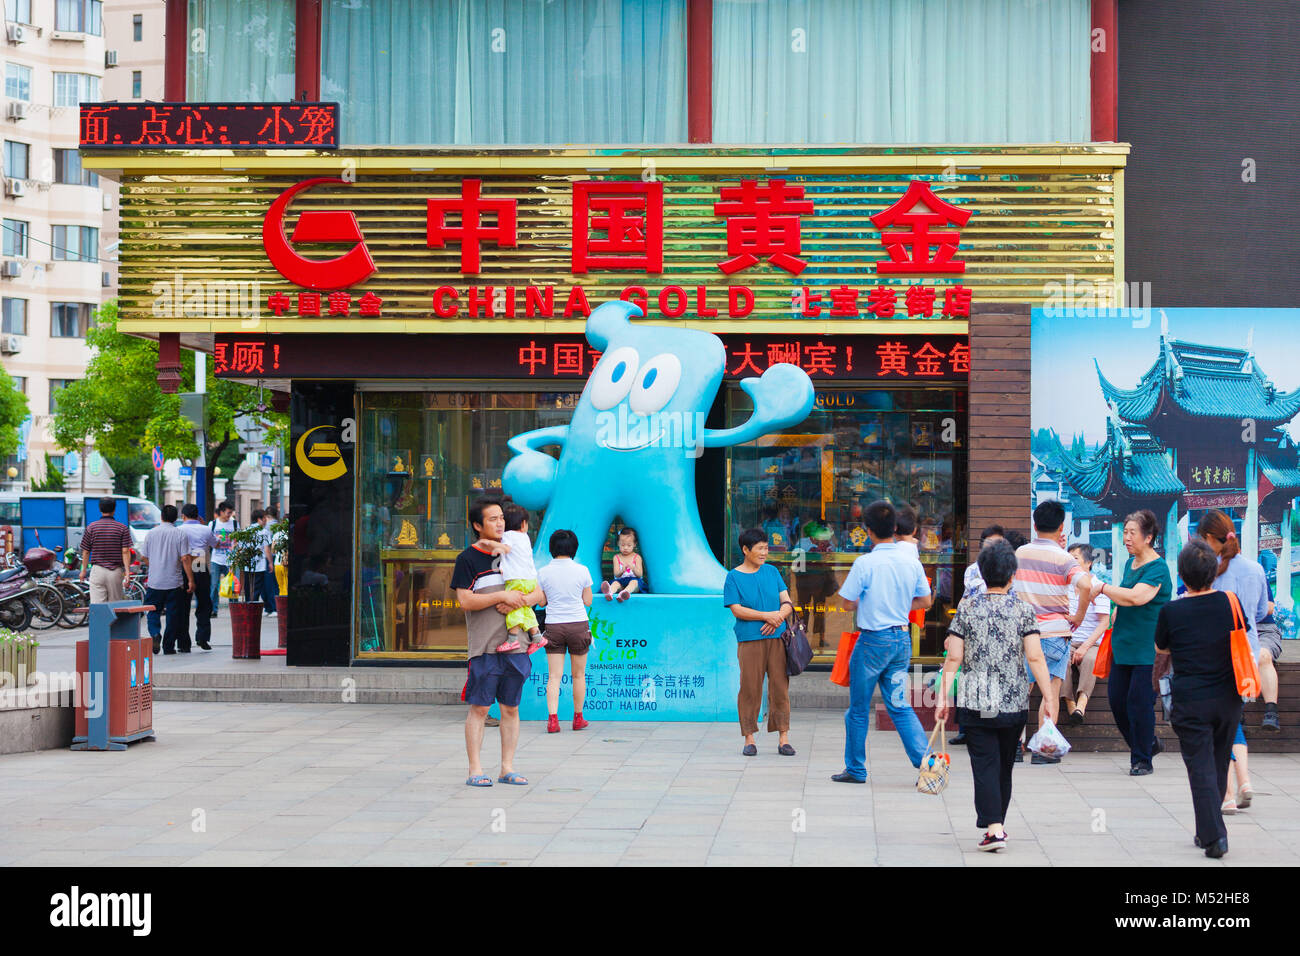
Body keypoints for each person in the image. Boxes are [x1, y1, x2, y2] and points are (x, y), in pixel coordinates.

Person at [937, 540, 1055, 852]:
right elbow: (1035, 658)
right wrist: (1049, 695)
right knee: (1004, 765)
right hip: (1014, 702)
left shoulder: (967, 608)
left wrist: (942, 697)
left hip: (976, 701)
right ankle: (997, 824)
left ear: (983, 574)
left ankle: (994, 828)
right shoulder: (1023, 610)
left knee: (985, 765)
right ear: (1012, 576)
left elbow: (954, 657)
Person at [833, 499, 933, 782]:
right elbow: (925, 600)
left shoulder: (866, 562)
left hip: (873, 642)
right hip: (901, 640)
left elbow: (846, 604)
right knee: (900, 705)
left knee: (857, 709)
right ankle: (927, 763)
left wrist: (871, 601)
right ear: (895, 529)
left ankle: (855, 768)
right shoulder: (910, 561)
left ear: (868, 530)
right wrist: (899, 603)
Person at [1154, 539, 1242, 859]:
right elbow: (1240, 639)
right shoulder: (1230, 603)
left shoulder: (1171, 610)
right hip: (1230, 697)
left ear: (1182, 574)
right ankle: (1208, 826)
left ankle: (1215, 835)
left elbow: (1162, 653)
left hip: (1191, 700)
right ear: (1213, 571)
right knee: (1218, 763)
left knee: (1201, 767)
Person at [453, 496, 543, 787]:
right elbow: (465, 600)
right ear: (478, 525)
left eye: (501, 517)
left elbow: (539, 594)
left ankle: (507, 768)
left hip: (516, 647)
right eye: (492, 519)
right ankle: (475, 769)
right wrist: (501, 596)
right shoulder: (468, 559)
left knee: (511, 708)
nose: (500, 523)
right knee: (480, 708)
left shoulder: (516, 549)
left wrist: (522, 599)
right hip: (485, 646)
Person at [1013, 501, 1096, 765]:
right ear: (1061, 527)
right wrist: (1080, 616)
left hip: (1022, 633)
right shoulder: (1065, 558)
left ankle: (1014, 747)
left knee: (1019, 691)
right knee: (1050, 692)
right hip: (1055, 634)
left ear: (1035, 525)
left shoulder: (1019, 554)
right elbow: (1085, 585)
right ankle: (1043, 750)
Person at [1094, 509, 1172, 775]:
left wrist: (1102, 588)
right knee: (1117, 702)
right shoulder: (1131, 564)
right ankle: (1148, 744)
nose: (1126, 538)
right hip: (1123, 646)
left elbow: (1136, 598)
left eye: (1132, 533)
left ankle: (1141, 760)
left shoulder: (1158, 568)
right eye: (1125, 532)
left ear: (1148, 537)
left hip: (1149, 650)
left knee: (1139, 705)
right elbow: (1125, 600)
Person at [1196, 510, 1278, 732]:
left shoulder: (1207, 571)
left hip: (1215, 652)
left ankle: (1231, 765)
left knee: (1223, 725)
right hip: (1247, 650)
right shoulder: (1256, 568)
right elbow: (1261, 611)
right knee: (1232, 719)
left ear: (1210, 538)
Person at [724, 528, 795, 757]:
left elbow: (787, 601)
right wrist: (767, 616)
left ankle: (783, 737)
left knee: (779, 687)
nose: (764, 553)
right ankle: (749, 738)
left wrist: (779, 616)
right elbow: (737, 609)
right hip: (750, 639)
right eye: (760, 548)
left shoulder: (773, 572)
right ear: (746, 550)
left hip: (777, 638)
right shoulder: (733, 576)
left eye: (766, 548)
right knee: (750, 687)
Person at [536, 529, 594, 733]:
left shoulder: (543, 572)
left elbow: (541, 601)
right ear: (574, 549)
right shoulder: (583, 571)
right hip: (578, 624)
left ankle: (553, 720)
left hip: (554, 626)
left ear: (552, 548)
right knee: (578, 675)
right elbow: (587, 601)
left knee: (553, 676)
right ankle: (578, 719)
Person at [484, 504, 546, 653]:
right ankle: (537, 637)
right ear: (523, 524)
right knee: (525, 608)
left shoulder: (508, 536)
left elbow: (506, 549)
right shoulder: (525, 537)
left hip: (516, 578)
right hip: (530, 579)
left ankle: (512, 639)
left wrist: (490, 545)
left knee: (514, 607)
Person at [1063, 542, 1111, 723]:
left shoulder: (1098, 586)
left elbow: (1104, 623)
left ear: (1088, 562)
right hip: (1066, 640)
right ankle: (1070, 703)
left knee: (1091, 659)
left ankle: (1081, 705)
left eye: (1074, 559)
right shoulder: (1064, 586)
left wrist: (1084, 647)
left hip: (1091, 642)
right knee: (1060, 660)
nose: (1070, 563)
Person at [139, 504, 195, 655]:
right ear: (175, 518)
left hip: (155, 581)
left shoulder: (151, 533)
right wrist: (190, 580)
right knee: (173, 615)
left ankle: (155, 633)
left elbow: (144, 556)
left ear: (161, 517)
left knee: (152, 611)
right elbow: (185, 558)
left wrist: (154, 566)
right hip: (174, 582)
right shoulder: (180, 534)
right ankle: (168, 646)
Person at [179, 504, 219, 650]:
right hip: (199, 563)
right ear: (198, 516)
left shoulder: (179, 529)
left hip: (184, 566)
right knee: (204, 603)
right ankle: (202, 637)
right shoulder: (206, 529)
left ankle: (183, 643)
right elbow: (217, 544)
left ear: (183, 516)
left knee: (183, 605)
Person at [78, 496, 133, 604]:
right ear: (114, 509)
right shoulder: (122, 528)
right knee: (115, 607)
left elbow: (86, 551)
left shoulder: (91, 527)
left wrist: (83, 570)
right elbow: (125, 551)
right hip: (115, 571)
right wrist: (127, 573)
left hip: (97, 570)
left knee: (98, 607)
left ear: (100, 509)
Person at [208, 501, 238, 615]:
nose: (229, 515)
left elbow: (237, 540)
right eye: (228, 512)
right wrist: (216, 539)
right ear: (221, 512)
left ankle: (234, 609)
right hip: (216, 559)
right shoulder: (213, 524)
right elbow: (209, 541)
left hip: (230, 560)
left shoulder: (234, 523)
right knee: (214, 585)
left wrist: (235, 545)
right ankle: (213, 609)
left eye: (231, 513)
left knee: (232, 585)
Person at [602, 527, 646, 601]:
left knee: (633, 582)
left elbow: (640, 574)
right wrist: (622, 570)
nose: (625, 548)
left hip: (635, 583)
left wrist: (633, 568)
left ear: (634, 544)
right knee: (615, 583)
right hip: (621, 581)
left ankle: (625, 593)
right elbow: (616, 574)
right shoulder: (616, 557)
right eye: (622, 545)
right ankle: (609, 593)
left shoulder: (637, 557)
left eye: (629, 545)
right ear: (618, 544)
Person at [259, 506, 280, 616]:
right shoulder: (279, 526)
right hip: (276, 557)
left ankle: (271, 607)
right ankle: (273, 607)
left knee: (268, 584)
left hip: (268, 557)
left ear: (266, 517)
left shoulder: (266, 528)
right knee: (275, 583)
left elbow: (266, 546)